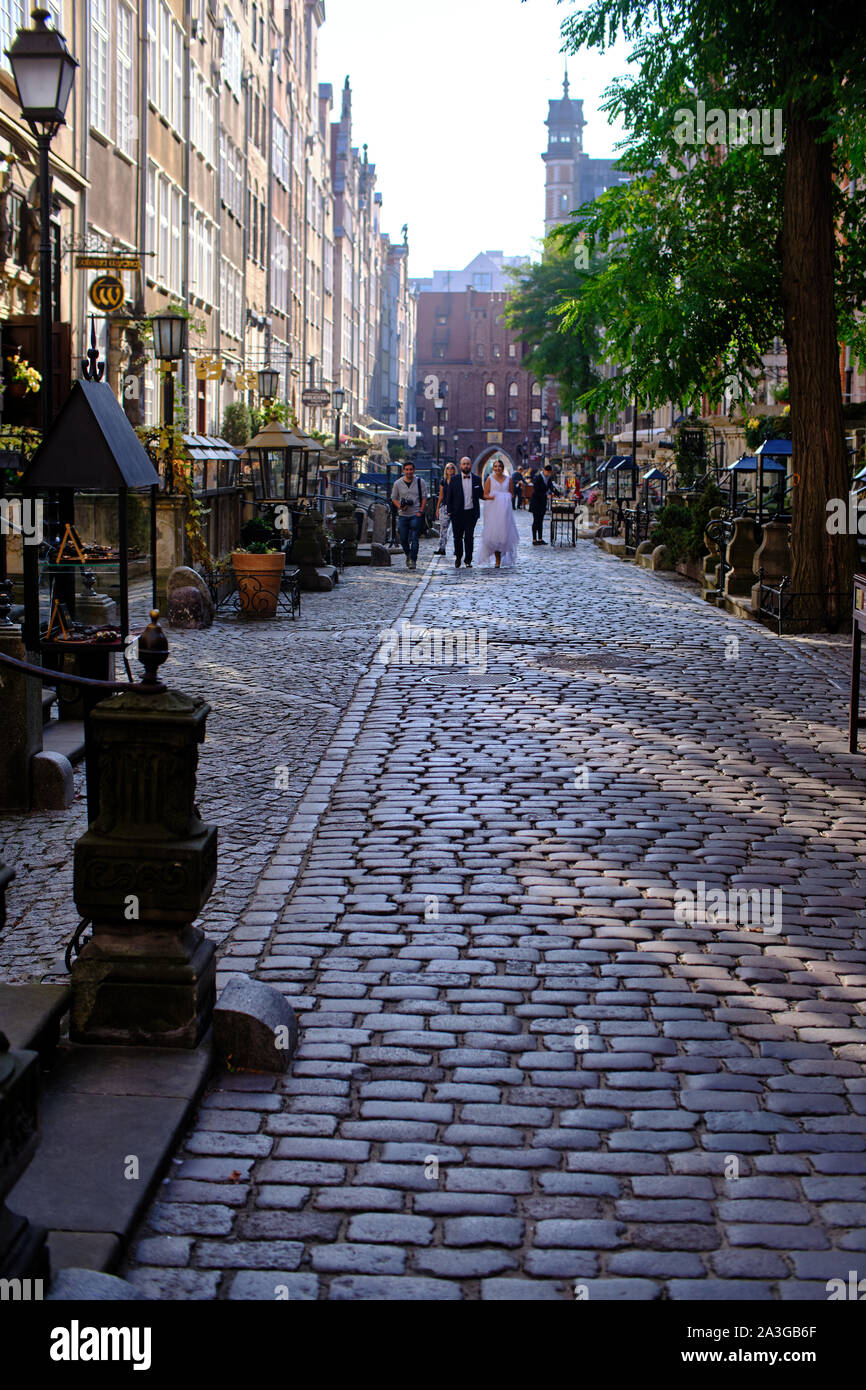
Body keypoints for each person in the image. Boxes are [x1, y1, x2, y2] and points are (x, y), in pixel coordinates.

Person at [478, 458, 520, 568]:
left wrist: (505, 498)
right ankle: (497, 559)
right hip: (493, 510)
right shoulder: (490, 479)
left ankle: (502, 556)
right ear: (493, 468)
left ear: (502, 468)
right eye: (495, 466)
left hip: (505, 511)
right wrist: (494, 497)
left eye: (499, 466)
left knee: (504, 533)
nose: (498, 468)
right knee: (495, 534)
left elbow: (511, 494)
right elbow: (485, 494)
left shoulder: (508, 479)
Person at [445, 456, 484, 569]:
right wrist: (450, 512)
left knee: (469, 537)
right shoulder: (454, 479)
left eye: (468, 463)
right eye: (464, 464)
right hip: (457, 513)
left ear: (471, 465)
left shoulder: (476, 479)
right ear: (460, 466)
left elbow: (481, 494)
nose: (466, 466)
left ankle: (468, 560)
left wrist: (494, 495)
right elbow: (449, 497)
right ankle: (458, 557)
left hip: (471, 513)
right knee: (457, 537)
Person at [391, 461, 427, 570]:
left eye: (411, 469)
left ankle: (413, 560)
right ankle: (408, 554)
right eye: (407, 469)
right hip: (403, 515)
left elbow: (425, 498)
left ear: (414, 470)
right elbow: (393, 498)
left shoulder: (421, 482)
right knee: (403, 538)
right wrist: (400, 507)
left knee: (415, 537)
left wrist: (420, 511)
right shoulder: (397, 483)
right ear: (403, 471)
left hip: (415, 513)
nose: (409, 472)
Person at [529, 463, 559, 545]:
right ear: (544, 471)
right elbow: (536, 491)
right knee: (536, 520)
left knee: (541, 520)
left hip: (542, 502)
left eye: (550, 473)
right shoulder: (537, 478)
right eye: (548, 472)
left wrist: (559, 494)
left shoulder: (548, 479)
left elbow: (551, 487)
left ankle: (540, 538)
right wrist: (546, 495)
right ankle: (534, 539)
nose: (549, 474)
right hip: (536, 502)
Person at [435, 462, 457, 556]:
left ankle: (457, 549)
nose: (450, 470)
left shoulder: (457, 480)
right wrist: (437, 508)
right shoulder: (443, 481)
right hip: (444, 507)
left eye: (452, 468)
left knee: (456, 530)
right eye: (448, 468)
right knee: (443, 528)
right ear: (446, 470)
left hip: (455, 507)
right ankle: (442, 548)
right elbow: (441, 496)